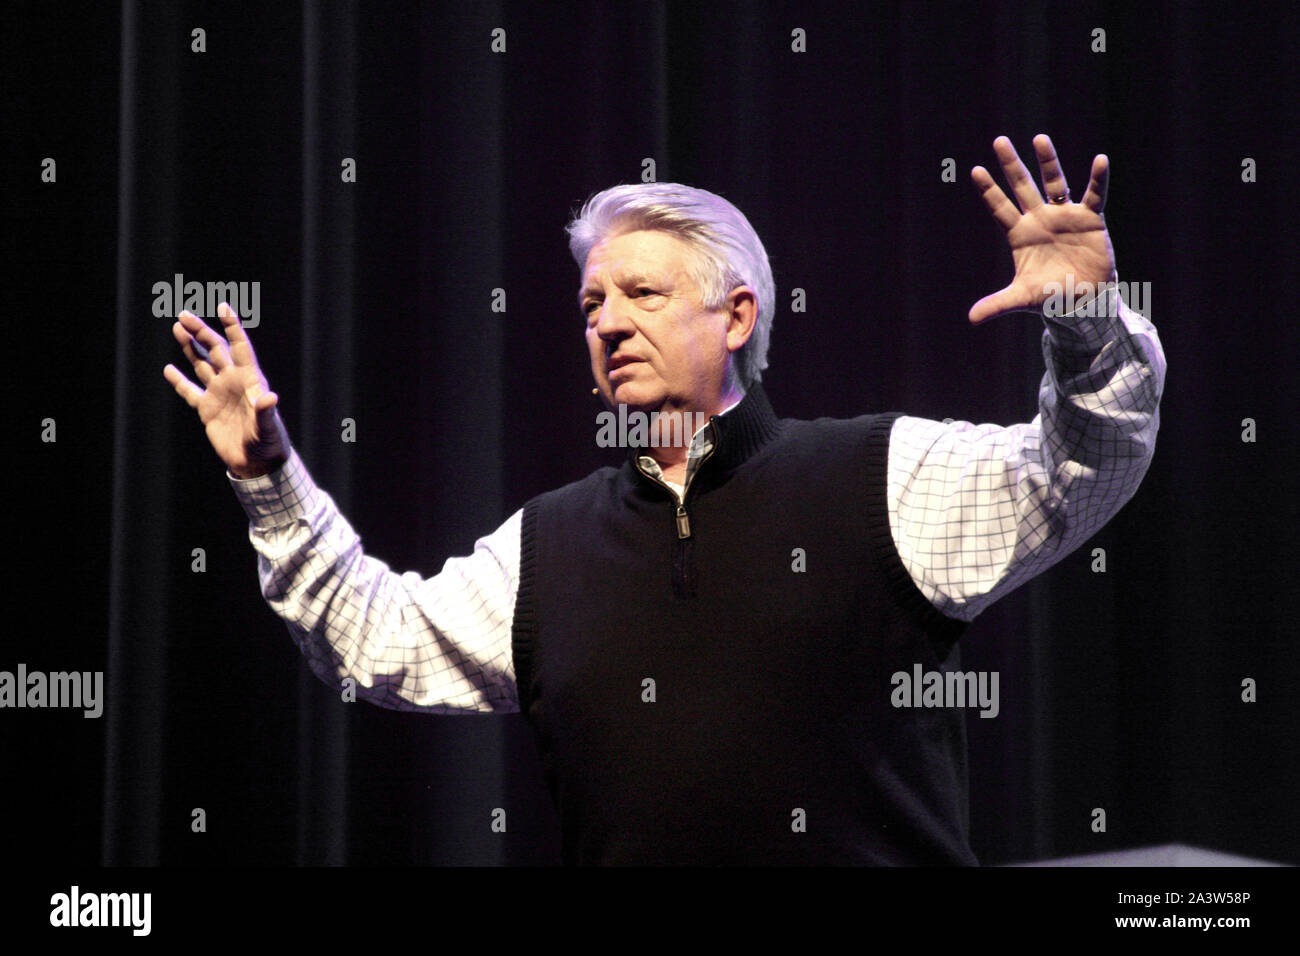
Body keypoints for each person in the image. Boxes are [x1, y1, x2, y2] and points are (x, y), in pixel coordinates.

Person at [164, 134, 1165, 865]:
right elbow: (376, 640)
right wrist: (267, 477)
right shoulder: (546, 548)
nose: (605, 323)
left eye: (640, 294)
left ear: (735, 317)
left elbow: (1077, 472)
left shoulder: (880, 477)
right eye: (591, 304)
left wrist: (1084, 326)